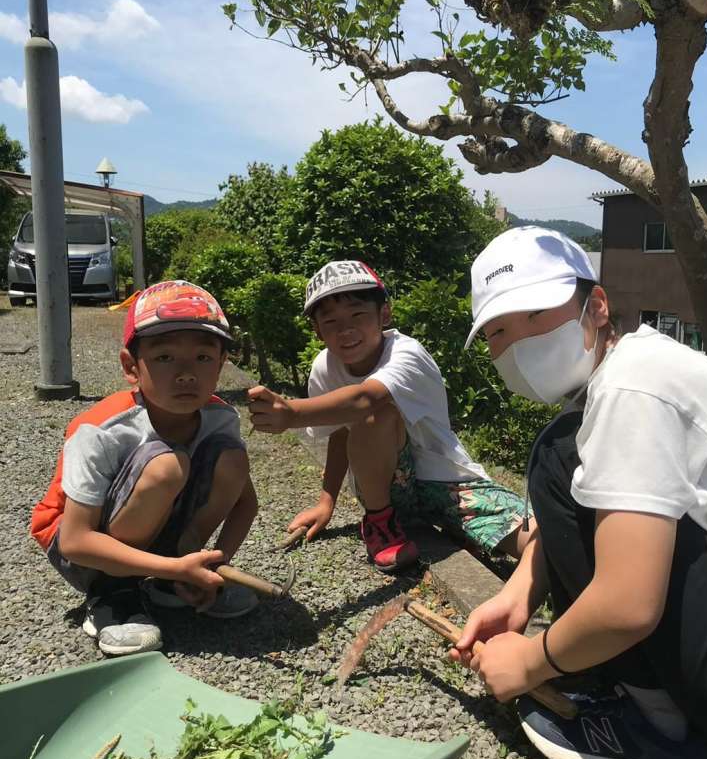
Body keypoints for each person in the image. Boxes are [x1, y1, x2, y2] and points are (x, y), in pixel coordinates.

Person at [451, 224, 707, 759]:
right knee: (570, 456)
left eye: (535, 316)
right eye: (498, 332)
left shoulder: (632, 385)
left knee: (559, 454)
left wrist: (529, 662)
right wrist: (522, 590)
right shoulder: (643, 368)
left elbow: (627, 604)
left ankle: (654, 731)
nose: (518, 343)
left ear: (596, 306)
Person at [247, 260, 530, 573]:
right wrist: (325, 502)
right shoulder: (324, 369)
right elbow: (341, 433)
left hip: (450, 481)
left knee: (536, 537)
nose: (346, 330)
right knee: (373, 419)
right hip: (388, 491)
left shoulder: (407, 354)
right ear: (317, 330)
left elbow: (365, 399)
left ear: (384, 314)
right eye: (330, 322)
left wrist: (291, 413)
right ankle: (381, 523)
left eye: (358, 314)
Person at [31, 280, 259, 657]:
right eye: (165, 358)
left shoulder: (220, 417)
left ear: (221, 365)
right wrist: (173, 567)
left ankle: (176, 581)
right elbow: (74, 539)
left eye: (203, 358)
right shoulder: (103, 429)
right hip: (81, 547)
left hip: (156, 530)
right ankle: (111, 593)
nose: (186, 374)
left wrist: (213, 565)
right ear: (130, 367)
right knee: (166, 466)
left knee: (230, 458)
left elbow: (245, 503)